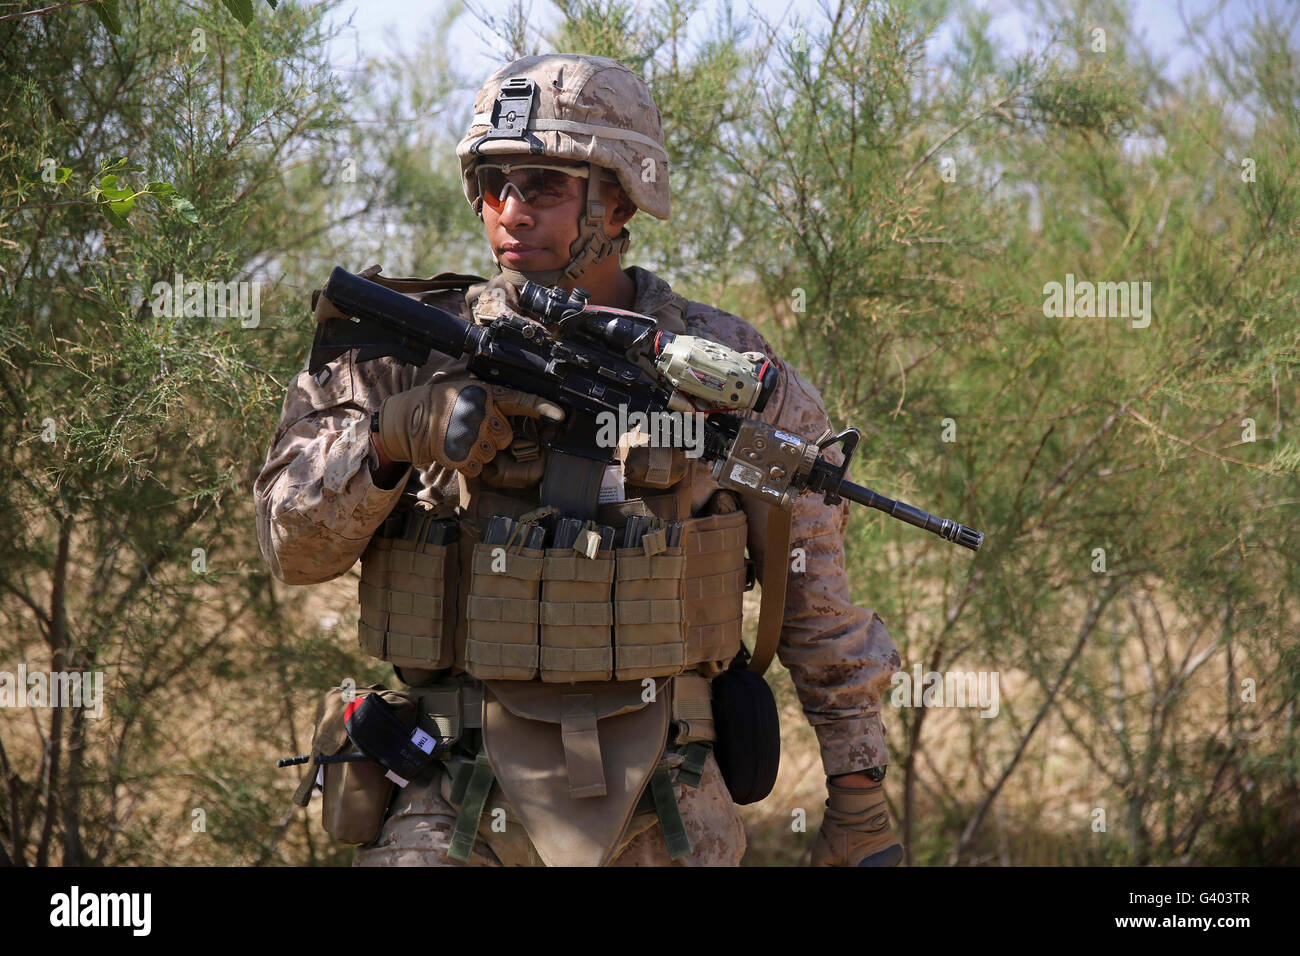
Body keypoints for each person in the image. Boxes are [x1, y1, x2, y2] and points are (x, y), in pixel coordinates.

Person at [255, 53, 903, 867]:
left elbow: (813, 593)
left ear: (623, 195)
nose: (511, 213)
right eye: (495, 186)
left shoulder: (727, 368)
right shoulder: (408, 350)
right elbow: (290, 545)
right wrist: (389, 439)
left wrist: (858, 799)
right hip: (452, 787)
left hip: (667, 792)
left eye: (544, 187)